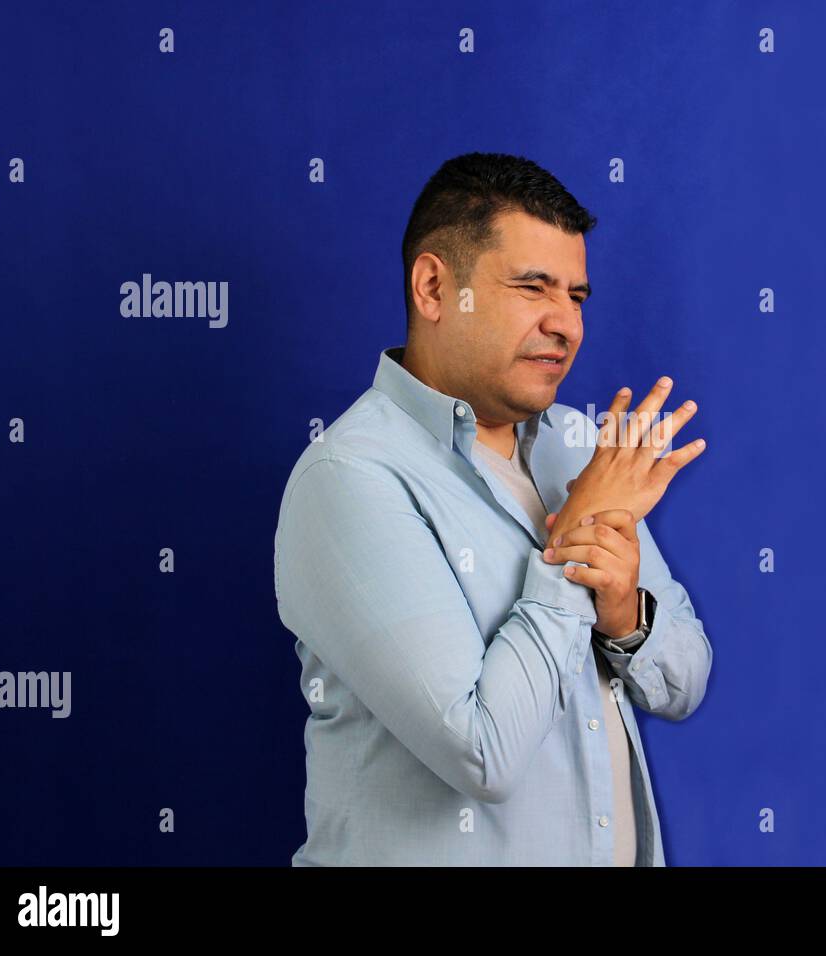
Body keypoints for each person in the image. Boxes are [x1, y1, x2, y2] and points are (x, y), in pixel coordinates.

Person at [273, 152, 712, 865]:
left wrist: (624, 612)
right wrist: (573, 546)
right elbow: (482, 752)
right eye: (533, 287)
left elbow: (684, 679)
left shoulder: (577, 445)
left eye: (577, 296)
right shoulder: (350, 478)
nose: (566, 324)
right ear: (434, 288)